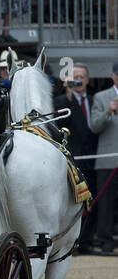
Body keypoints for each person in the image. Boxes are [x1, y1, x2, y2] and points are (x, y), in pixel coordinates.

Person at [55, 64, 102, 254]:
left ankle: (88, 240)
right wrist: (67, 91)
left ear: (88, 80)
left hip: (94, 158)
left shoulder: (93, 100)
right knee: (75, 203)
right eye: (75, 77)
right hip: (73, 161)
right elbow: (60, 123)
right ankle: (73, 242)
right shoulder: (61, 101)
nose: (78, 80)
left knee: (93, 201)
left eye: (82, 76)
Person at [87, 63, 118, 256]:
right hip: (107, 159)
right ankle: (106, 240)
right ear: (113, 76)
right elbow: (94, 127)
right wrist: (108, 110)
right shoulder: (101, 97)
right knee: (105, 204)